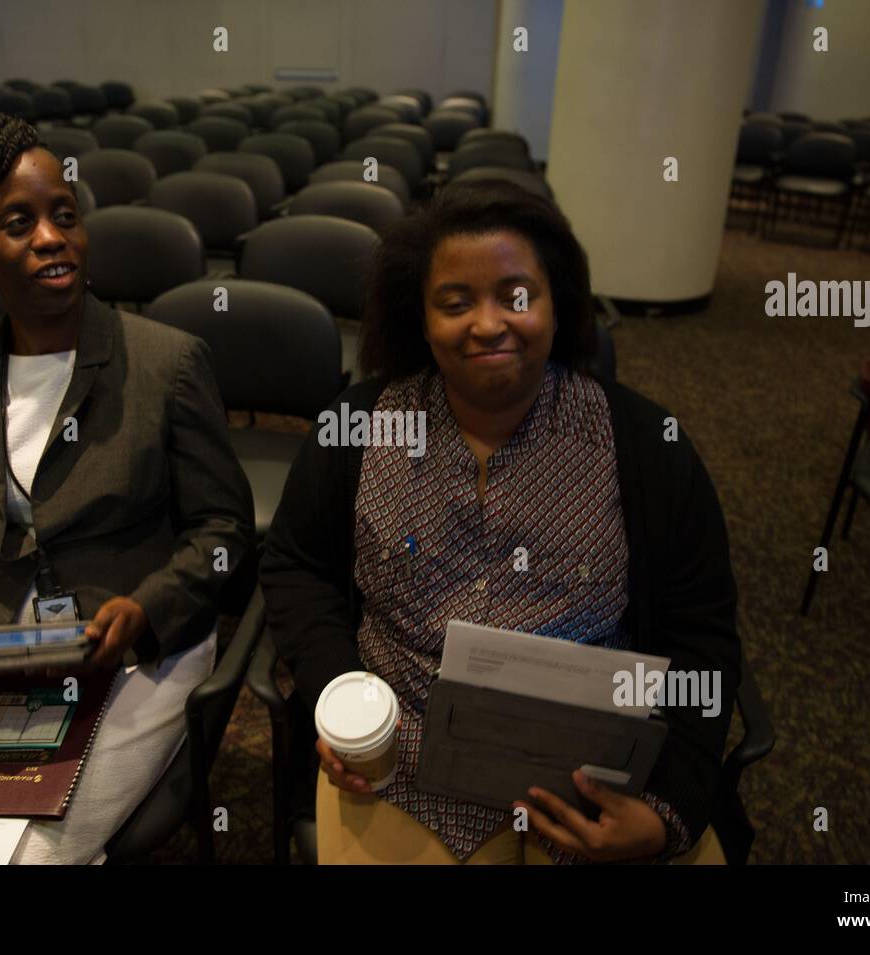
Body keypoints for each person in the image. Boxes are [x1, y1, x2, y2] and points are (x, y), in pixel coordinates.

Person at [260, 179, 740, 865]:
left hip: (596, 776)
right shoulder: (358, 428)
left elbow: (703, 633)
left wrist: (668, 810)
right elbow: (295, 566)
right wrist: (343, 701)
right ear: (420, 319)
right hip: (405, 766)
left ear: (558, 304)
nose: (488, 324)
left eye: (516, 296)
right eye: (455, 303)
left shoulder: (645, 444)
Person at [0, 113, 255, 863]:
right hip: (0, 642)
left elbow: (224, 535)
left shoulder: (165, 363)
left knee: (30, 853)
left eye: (63, 215)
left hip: (137, 652)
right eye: (19, 223)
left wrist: (148, 606)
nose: (50, 237)